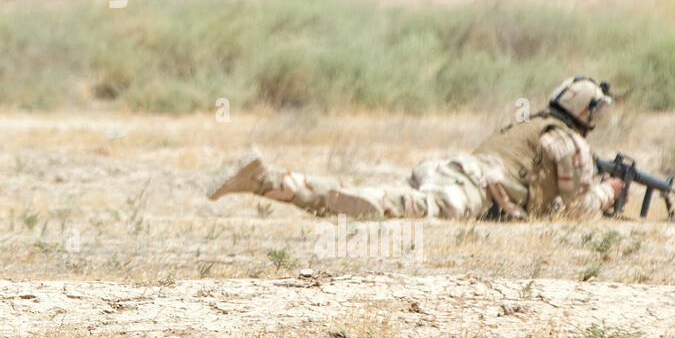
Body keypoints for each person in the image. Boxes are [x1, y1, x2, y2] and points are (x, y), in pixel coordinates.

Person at [209, 77, 626, 220]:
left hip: (450, 170)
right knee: (379, 207)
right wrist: (609, 192)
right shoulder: (569, 141)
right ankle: (266, 179)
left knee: (380, 197)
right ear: (585, 112)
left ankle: (272, 181)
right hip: (473, 190)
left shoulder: (536, 124)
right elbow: (575, 210)